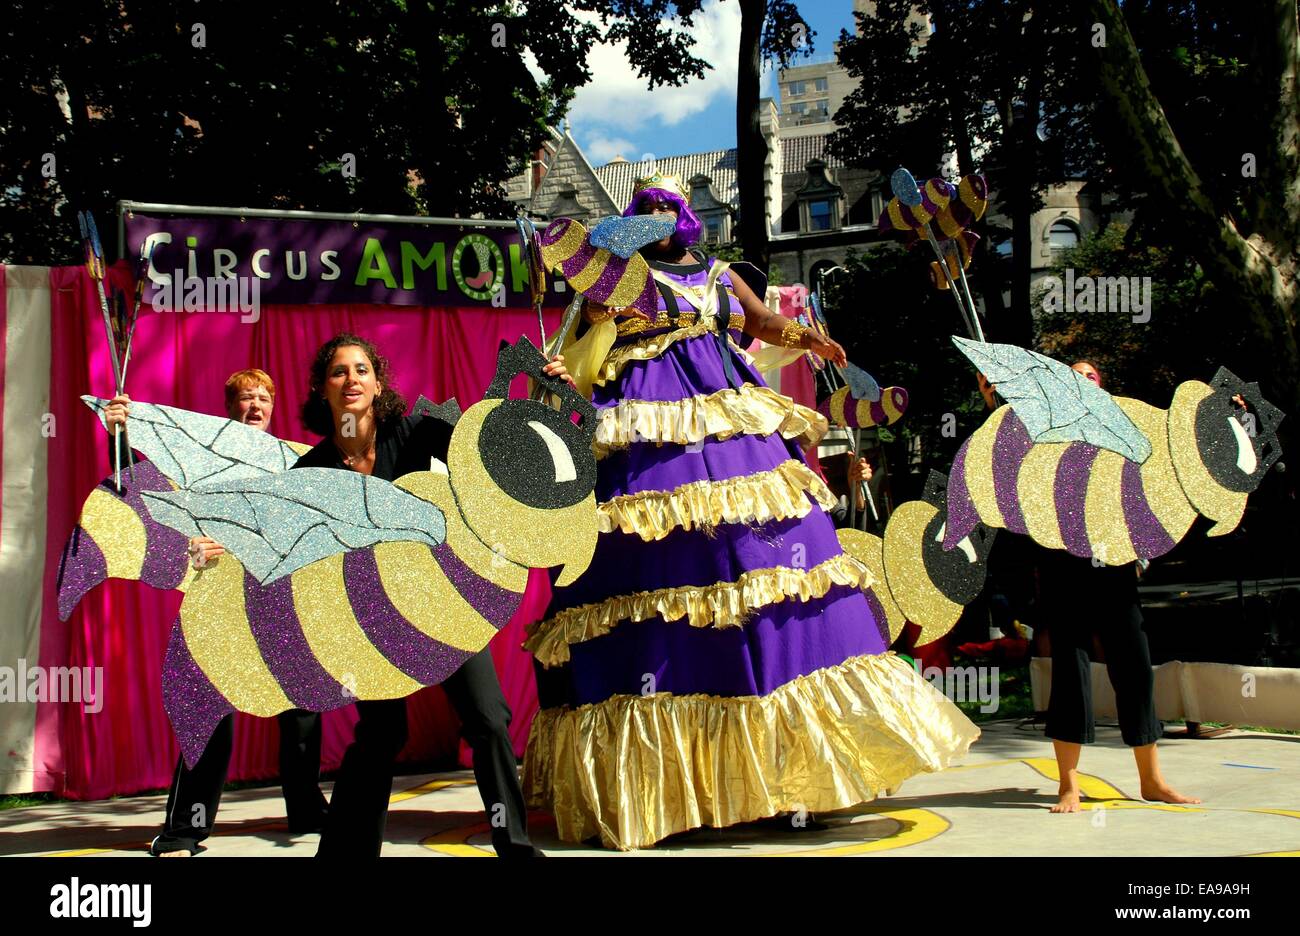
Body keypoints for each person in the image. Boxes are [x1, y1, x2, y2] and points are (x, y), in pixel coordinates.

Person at [523, 172, 979, 850]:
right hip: (649, 428)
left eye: (667, 203)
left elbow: (762, 322)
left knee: (773, 564)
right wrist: (586, 315)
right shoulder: (620, 272)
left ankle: (790, 773)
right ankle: (670, 787)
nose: (658, 211)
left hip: (733, 414)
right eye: (646, 203)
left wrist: (808, 339)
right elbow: (586, 327)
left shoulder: (719, 273)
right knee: (666, 565)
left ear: (684, 214)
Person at [292, 333, 567, 857]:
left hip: (444, 604)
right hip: (374, 623)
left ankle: (514, 846)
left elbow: (491, 447)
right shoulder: (312, 473)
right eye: (338, 372)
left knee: (488, 719)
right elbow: (287, 545)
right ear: (322, 390)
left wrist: (540, 399)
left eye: (361, 370)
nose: (351, 379)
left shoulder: (415, 432)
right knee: (381, 734)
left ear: (377, 383)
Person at [104, 370, 329, 856]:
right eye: (246, 398)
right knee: (207, 711)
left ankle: (307, 810)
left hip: (281, 602)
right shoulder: (198, 461)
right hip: (220, 605)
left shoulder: (293, 460)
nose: (256, 405)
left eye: (263, 398)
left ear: (273, 405)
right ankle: (187, 827)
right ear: (230, 408)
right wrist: (121, 434)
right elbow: (140, 497)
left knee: (302, 709)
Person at [1040, 358, 1201, 813]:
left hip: (1114, 560)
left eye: (1090, 374)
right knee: (1070, 671)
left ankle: (1152, 780)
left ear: (1102, 385)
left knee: (1134, 664)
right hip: (1063, 560)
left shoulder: (1125, 427)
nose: (1083, 379)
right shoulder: (1047, 429)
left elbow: (1157, 476)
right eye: (1075, 374)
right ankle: (1067, 785)